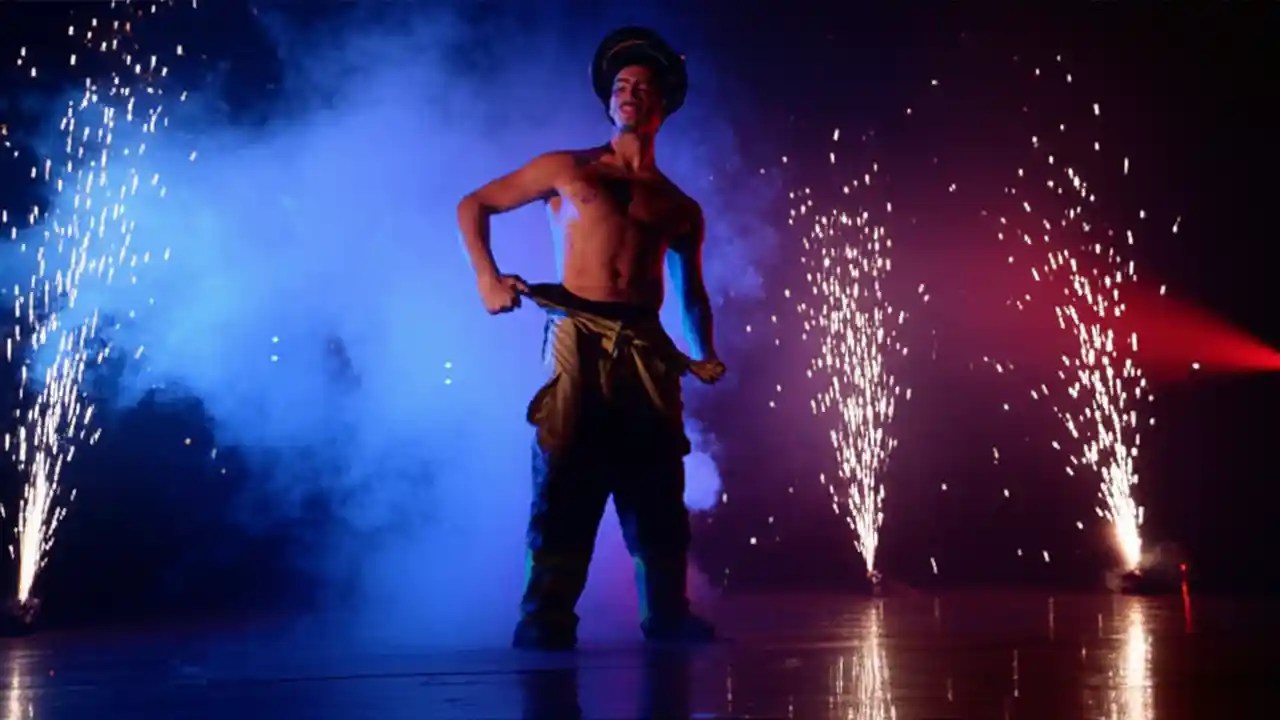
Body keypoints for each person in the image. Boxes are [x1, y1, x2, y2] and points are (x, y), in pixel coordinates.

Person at [456, 26, 725, 650]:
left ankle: (667, 615)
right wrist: (486, 278)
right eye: (623, 85)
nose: (631, 93)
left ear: (663, 106)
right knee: (566, 469)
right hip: (576, 334)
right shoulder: (567, 169)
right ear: (609, 101)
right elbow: (474, 205)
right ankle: (544, 619)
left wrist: (703, 352)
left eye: (645, 87)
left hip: (647, 349)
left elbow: (690, 292)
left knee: (657, 480)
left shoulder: (678, 206)